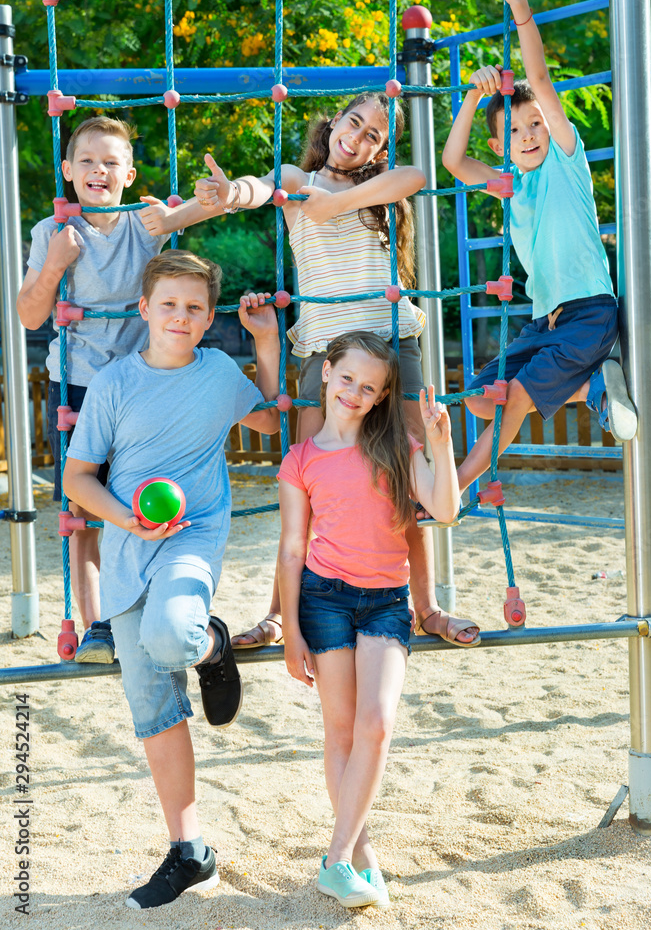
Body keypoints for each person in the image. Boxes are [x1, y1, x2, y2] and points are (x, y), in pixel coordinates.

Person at [176, 92, 478, 649]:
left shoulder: (377, 193)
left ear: (378, 150)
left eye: (373, 136)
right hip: (323, 349)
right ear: (334, 121)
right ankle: (275, 611)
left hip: (390, 340)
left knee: (406, 474)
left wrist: (334, 204)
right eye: (354, 122)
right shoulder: (298, 176)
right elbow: (263, 188)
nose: (358, 137)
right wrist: (233, 193)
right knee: (307, 474)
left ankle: (428, 606)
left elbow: (413, 174)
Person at [62, 249, 280, 909]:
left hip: (192, 538)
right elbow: (76, 479)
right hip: (130, 549)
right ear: (145, 310)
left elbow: (271, 420)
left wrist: (266, 343)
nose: (180, 317)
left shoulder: (217, 371)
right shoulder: (113, 383)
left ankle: (208, 643)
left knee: (170, 638)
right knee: (153, 707)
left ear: (209, 317)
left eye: (193, 307)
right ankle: (189, 851)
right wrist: (124, 515)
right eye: (168, 305)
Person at [277, 330, 473, 910]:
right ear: (328, 373)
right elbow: (291, 550)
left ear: (383, 395)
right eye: (346, 380)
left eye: (370, 388)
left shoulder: (397, 446)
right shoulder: (302, 458)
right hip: (324, 600)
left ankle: (334, 859)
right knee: (340, 730)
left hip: (386, 601)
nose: (355, 393)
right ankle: (360, 856)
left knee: (378, 725)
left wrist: (439, 445)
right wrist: (290, 631)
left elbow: (445, 510)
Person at [441, 0, 637, 494]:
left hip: (588, 315)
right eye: (515, 131)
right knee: (482, 396)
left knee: (514, 400)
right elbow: (453, 162)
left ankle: (456, 484)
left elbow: (541, 81)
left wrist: (519, 5)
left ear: (550, 129)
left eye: (536, 125)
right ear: (500, 147)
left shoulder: (565, 161)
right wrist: (474, 96)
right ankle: (592, 383)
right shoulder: (511, 186)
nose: (528, 134)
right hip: (543, 324)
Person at [17, 117, 190, 663]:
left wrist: (208, 200)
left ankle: (140, 608)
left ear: (129, 173)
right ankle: (97, 628)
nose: (98, 170)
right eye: (87, 161)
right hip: (80, 384)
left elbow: (200, 214)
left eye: (111, 162)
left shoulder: (146, 223)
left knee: (146, 502)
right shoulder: (53, 230)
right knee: (84, 512)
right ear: (67, 170)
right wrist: (54, 265)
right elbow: (28, 314)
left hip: (141, 384)